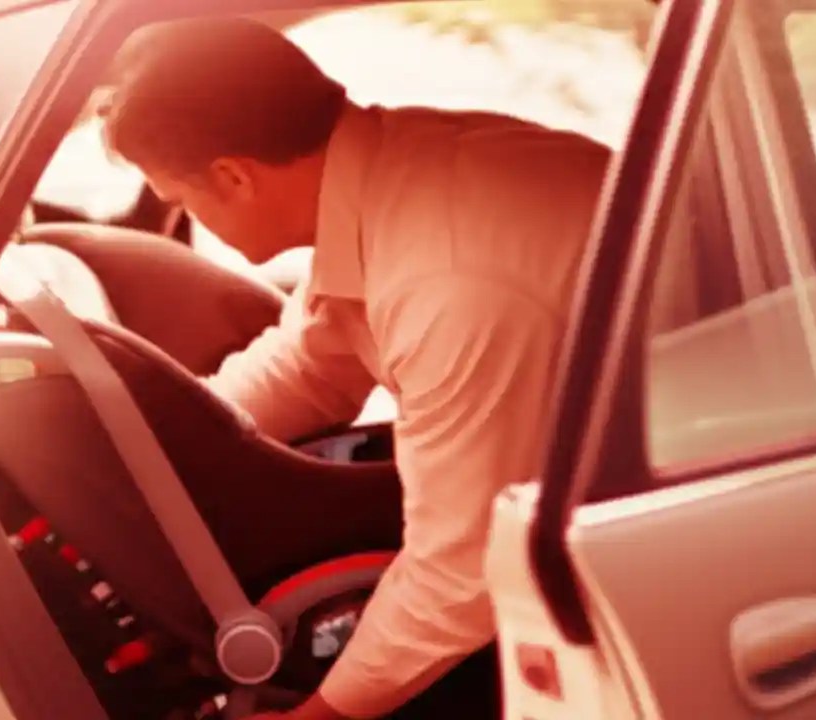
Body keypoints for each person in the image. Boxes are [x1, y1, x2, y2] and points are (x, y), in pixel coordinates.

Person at [101, 16, 610, 720]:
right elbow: (312, 361)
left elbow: (461, 572)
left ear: (233, 177)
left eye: (182, 201)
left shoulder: (447, 278)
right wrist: (154, 458)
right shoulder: (396, 171)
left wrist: (320, 716)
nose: (184, 215)